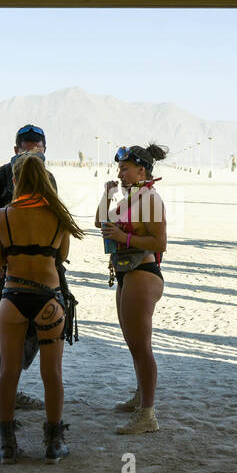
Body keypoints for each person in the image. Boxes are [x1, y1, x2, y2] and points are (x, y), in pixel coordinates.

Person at [0, 152, 83, 463]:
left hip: (12, 299)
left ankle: (7, 446)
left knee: (9, 372)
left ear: (15, 180)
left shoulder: (1, 217)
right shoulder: (58, 216)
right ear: (44, 180)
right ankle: (54, 444)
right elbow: (60, 257)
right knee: (52, 374)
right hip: (49, 301)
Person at [0, 125, 56, 430]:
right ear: (16, 150)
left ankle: (9, 394)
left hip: (43, 282)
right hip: (5, 281)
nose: (33, 155)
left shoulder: (48, 180)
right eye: (27, 150)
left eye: (38, 150)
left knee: (33, 342)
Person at [97, 144, 168, 434]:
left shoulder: (150, 198)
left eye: (125, 168)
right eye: (119, 169)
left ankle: (147, 415)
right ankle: (141, 396)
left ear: (142, 169)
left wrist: (124, 238)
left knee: (142, 346)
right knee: (132, 342)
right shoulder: (131, 198)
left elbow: (160, 244)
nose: (120, 173)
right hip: (127, 273)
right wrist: (107, 195)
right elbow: (100, 223)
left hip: (143, 272)